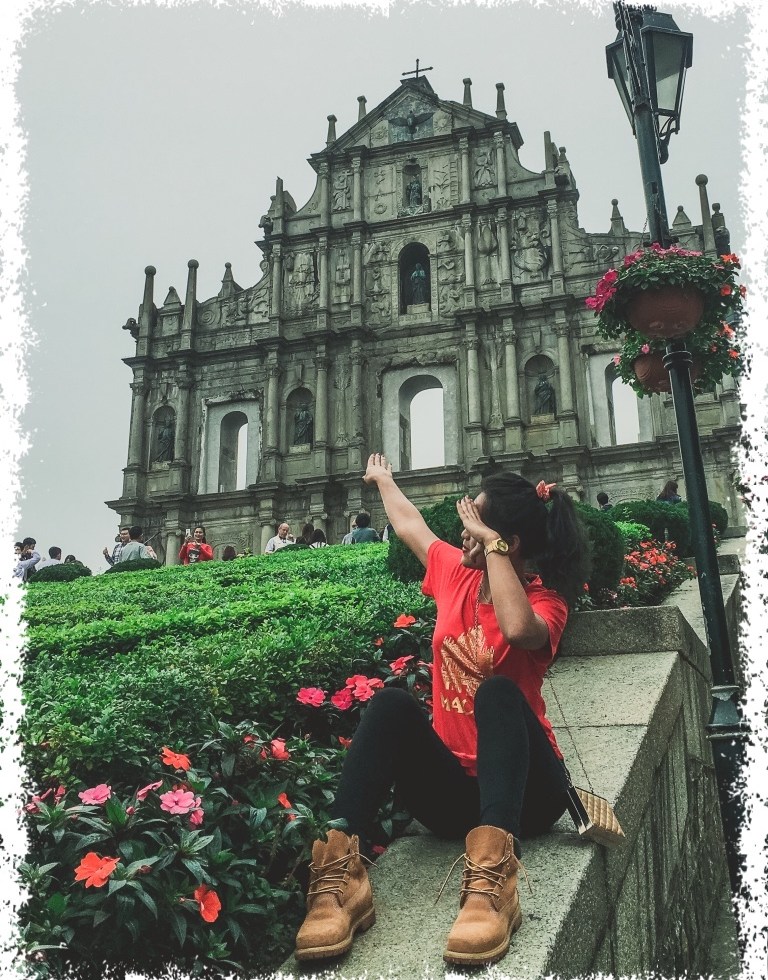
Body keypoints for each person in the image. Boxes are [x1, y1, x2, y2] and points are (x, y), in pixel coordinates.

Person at [293, 453, 590, 967]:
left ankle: (494, 885)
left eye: (474, 524)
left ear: (508, 542)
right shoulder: (455, 572)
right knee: (390, 704)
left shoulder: (546, 602)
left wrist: (492, 548)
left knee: (497, 693)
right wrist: (383, 480)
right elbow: (412, 526)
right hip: (453, 797)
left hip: (529, 795)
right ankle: (341, 876)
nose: (462, 533)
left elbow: (519, 630)